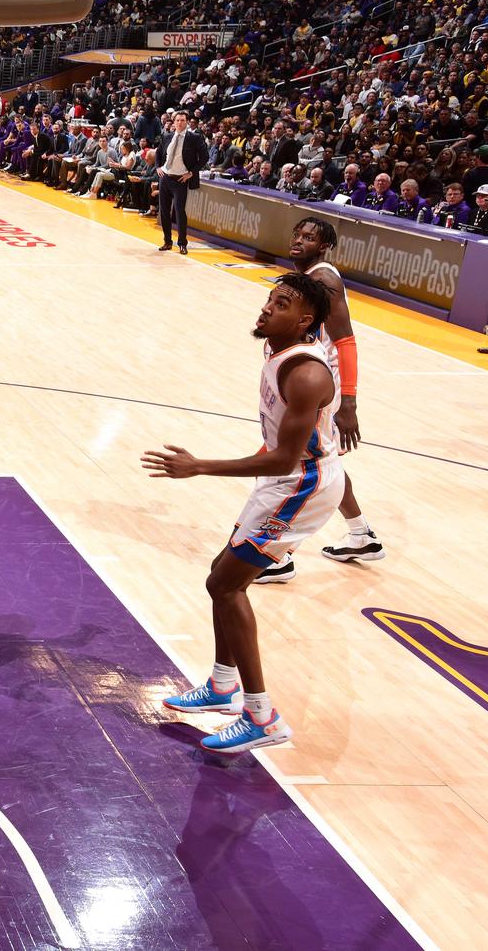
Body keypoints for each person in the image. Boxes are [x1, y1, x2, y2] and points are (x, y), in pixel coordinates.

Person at [144, 272, 341, 754]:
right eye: (270, 299)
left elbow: (285, 459)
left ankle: (262, 717)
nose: (268, 307)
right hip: (285, 480)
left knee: (225, 584)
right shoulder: (278, 348)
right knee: (222, 574)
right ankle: (222, 684)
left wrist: (199, 467)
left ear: (306, 320)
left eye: (283, 304)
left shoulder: (307, 373)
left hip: (302, 484)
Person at [252, 218, 384, 582]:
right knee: (322, 464)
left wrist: (349, 403)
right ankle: (361, 535)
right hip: (307, 380)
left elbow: (346, 340)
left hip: (318, 387)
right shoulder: (306, 276)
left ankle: (279, 554)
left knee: (289, 464)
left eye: (309, 237)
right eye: (297, 234)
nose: (298, 240)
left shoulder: (324, 279)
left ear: (323, 246)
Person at [156, 111, 209, 254]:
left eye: (183, 120)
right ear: (174, 122)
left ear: (187, 122)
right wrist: (158, 167)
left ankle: (182, 243)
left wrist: (191, 172)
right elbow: (158, 152)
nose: (180, 123)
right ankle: (167, 241)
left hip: (180, 179)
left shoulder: (194, 138)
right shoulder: (167, 136)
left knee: (180, 212)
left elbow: (204, 157)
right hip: (165, 177)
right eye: (177, 120)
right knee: (164, 212)